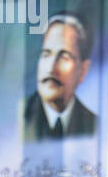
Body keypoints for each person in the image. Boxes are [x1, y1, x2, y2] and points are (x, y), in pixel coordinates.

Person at [24, 13, 97, 142]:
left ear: (83, 70)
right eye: (46, 54)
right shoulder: (17, 118)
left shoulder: (95, 125)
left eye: (64, 56)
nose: (51, 68)